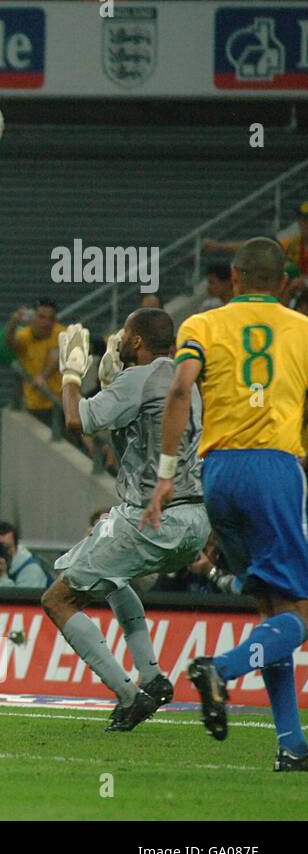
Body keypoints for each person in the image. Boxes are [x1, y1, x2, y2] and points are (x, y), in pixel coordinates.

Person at [144, 238, 308, 771]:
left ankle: (291, 744)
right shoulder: (303, 330)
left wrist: (165, 476)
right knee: (300, 613)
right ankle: (221, 669)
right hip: (274, 470)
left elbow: (179, 390)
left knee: (269, 612)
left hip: (217, 474)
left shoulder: (202, 324)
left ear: (234, 277)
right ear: (283, 283)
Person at [48, 307, 209, 730]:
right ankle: (152, 677)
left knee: (58, 600)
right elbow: (140, 434)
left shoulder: (138, 378)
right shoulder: (186, 381)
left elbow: (76, 419)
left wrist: (71, 374)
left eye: (124, 333)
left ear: (137, 342)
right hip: (194, 517)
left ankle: (129, 695)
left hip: (155, 518)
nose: (117, 339)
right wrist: (109, 384)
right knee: (109, 575)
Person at [4, 298, 65, 422]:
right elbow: (10, 341)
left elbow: (56, 357)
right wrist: (14, 322)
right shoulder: (25, 335)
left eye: (51, 318)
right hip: (35, 404)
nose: (46, 322)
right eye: (41, 317)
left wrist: (43, 376)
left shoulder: (61, 332)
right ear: (32, 318)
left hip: (61, 402)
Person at [0, 521, 51, 588]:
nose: (0, 551)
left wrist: (0, 576)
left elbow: (19, 595)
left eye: (6, 548)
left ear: (16, 547)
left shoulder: (32, 571)